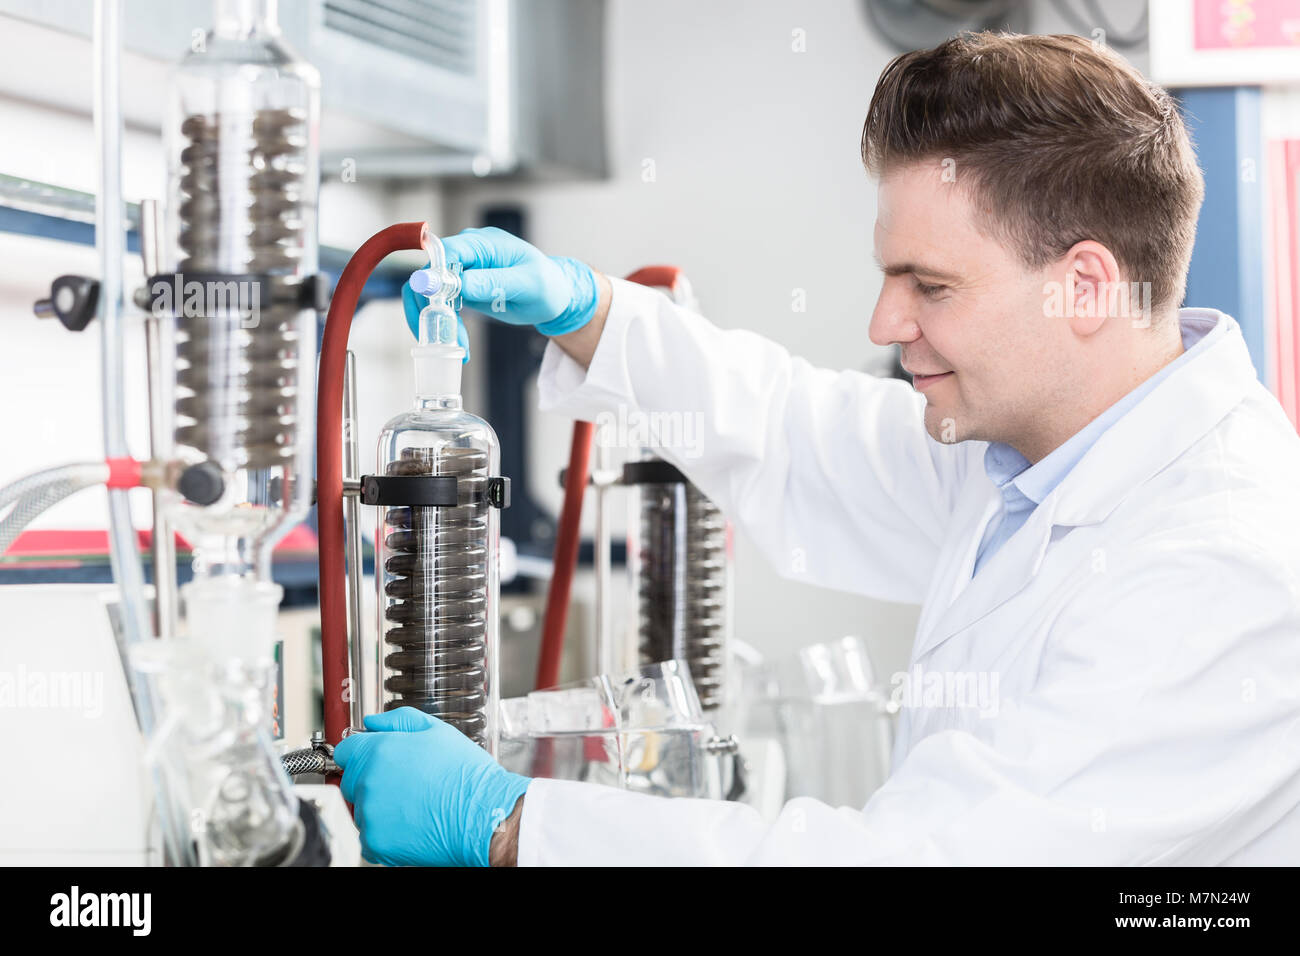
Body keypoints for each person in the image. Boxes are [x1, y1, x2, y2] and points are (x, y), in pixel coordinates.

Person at [333, 32, 1300, 866]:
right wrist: (595, 314)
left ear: (1084, 287)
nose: (887, 319)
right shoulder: (1038, 455)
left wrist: (514, 825)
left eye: (930, 285)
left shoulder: (1220, 566)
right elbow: (802, 434)